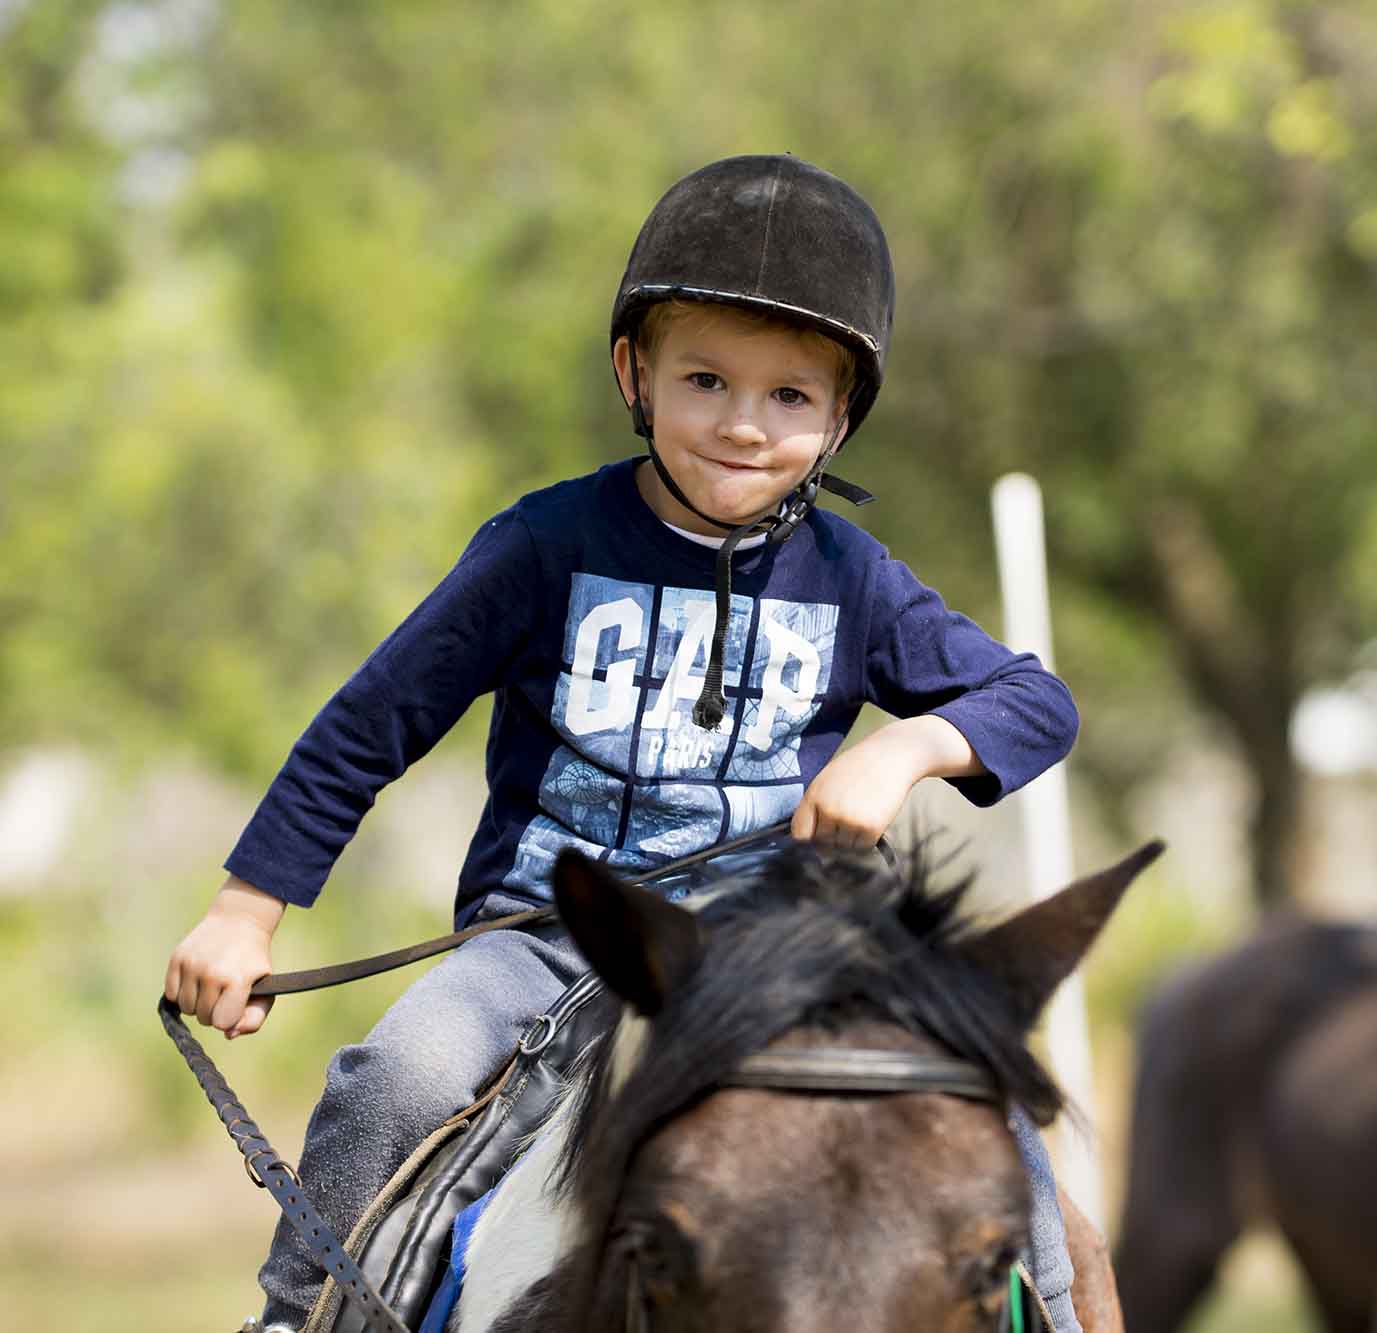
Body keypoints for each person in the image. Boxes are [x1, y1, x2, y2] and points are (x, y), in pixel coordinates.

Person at [161, 155, 1086, 1333]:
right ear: (632, 373)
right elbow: (368, 726)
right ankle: (296, 1318)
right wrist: (246, 911)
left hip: (779, 963)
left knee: (978, 1104)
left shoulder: (857, 581)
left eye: (791, 397)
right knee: (394, 1075)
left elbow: (1035, 702)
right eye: (705, 379)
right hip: (547, 940)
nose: (744, 426)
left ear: (840, 415)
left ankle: (1055, 1315)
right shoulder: (542, 546)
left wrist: (903, 750)